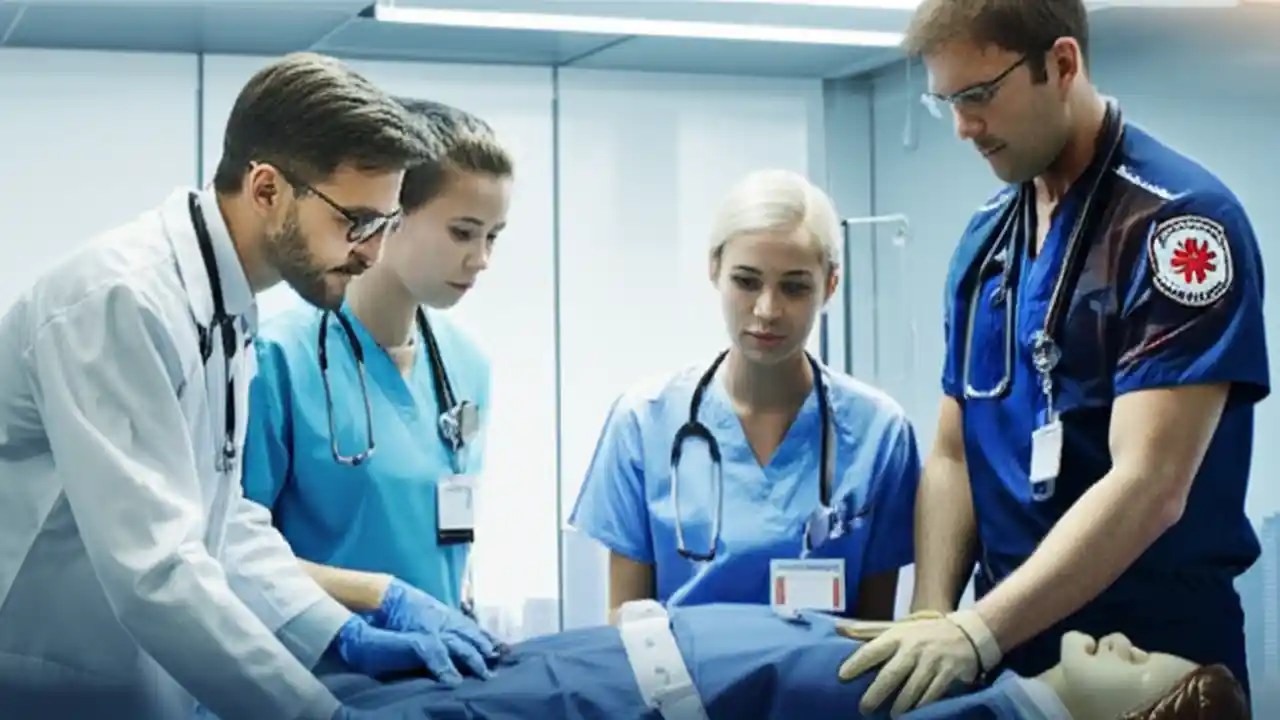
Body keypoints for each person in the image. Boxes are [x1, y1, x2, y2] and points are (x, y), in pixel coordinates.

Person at [0, 52, 487, 720]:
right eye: (356, 221)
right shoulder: (120, 301)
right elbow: (157, 569)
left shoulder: (223, 308)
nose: (372, 253)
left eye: (384, 225)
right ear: (266, 191)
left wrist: (338, 634)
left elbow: (221, 523)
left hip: (130, 682)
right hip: (43, 679)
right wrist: (318, 714)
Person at [839, 0, 1270, 716]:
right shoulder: (985, 242)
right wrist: (932, 616)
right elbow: (954, 452)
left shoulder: (1178, 227)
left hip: (1146, 668)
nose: (963, 126)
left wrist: (977, 630)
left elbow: (1150, 483)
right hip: (1004, 665)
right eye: (946, 101)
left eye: (978, 95)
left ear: (1062, 64)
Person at [241, 98, 514, 684]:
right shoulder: (277, 358)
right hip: (307, 684)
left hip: (433, 686)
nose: (481, 259)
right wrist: (379, 597)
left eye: (494, 236)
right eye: (462, 232)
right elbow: (232, 553)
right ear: (391, 213)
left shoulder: (466, 364)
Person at [569, 169, 920, 620]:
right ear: (714, 268)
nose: (767, 310)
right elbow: (627, 624)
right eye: (747, 281)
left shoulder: (878, 433)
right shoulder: (643, 422)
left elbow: (874, 630)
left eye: (794, 287)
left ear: (831, 285)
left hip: (830, 671)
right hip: (679, 669)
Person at [316, 602, 1250, 720]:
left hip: (622, 699)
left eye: (1141, 664)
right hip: (612, 661)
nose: (1121, 639)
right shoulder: (980, 668)